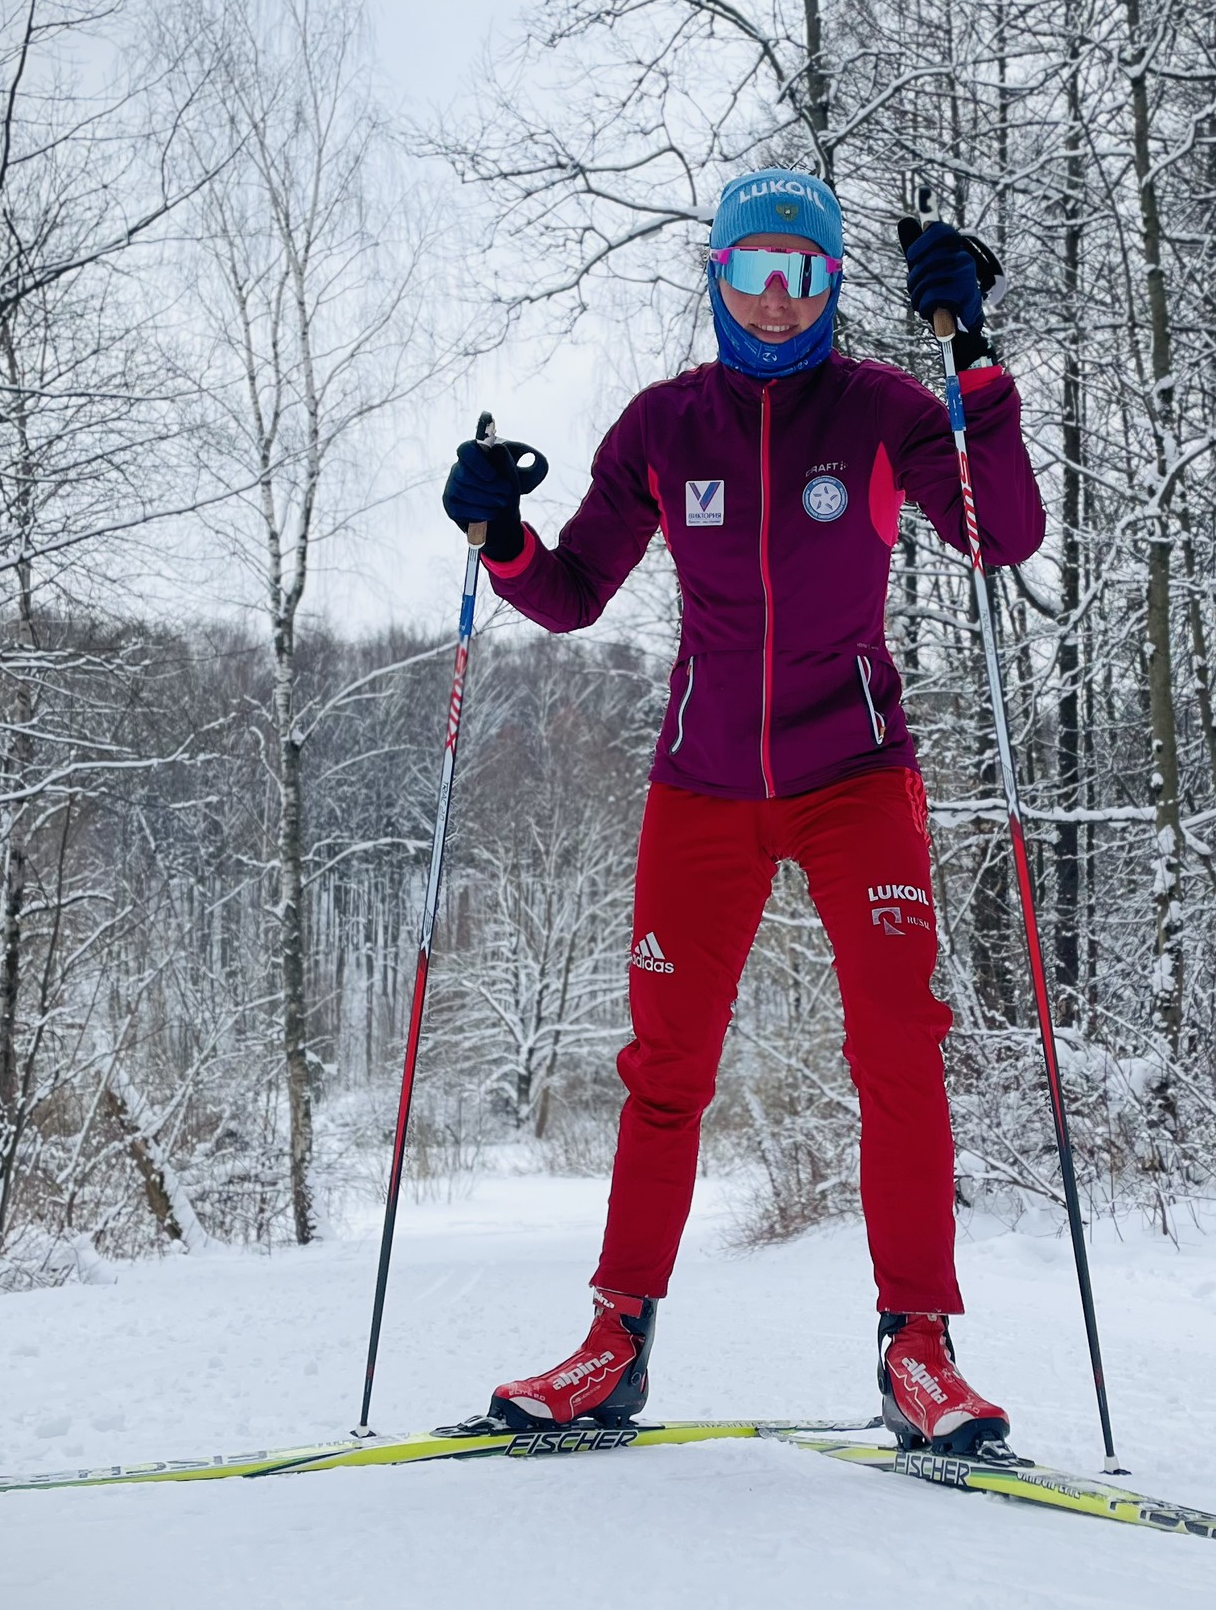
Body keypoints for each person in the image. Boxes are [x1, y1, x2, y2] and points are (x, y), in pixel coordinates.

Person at [441, 169, 1045, 1453]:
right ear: (714, 275)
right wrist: (500, 533)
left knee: (897, 1042)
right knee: (665, 1067)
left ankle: (920, 1348)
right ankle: (614, 1343)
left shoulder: (882, 408)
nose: (776, 302)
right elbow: (569, 593)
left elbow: (1003, 533)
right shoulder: (665, 427)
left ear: (831, 285)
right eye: (752, 271)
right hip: (704, 785)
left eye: (805, 274)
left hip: (853, 773)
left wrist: (974, 364)